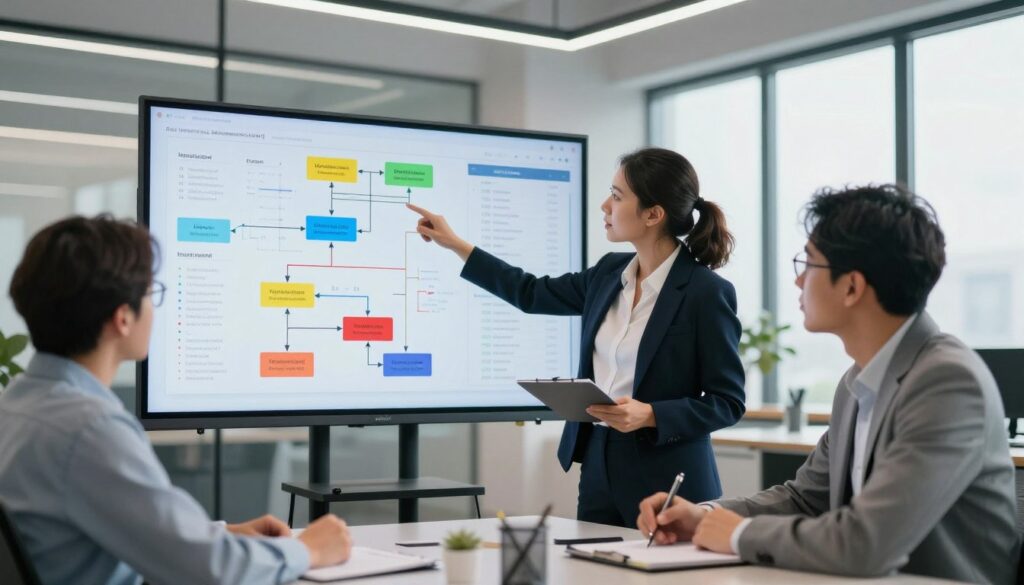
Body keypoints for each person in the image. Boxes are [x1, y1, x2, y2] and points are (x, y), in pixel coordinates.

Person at [637, 184, 1020, 584]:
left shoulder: (947, 382)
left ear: (852, 286)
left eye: (810, 264)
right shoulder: (858, 381)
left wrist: (737, 534)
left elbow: (866, 543)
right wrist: (707, 515)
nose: (799, 282)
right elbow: (807, 498)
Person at [0, 215, 352, 585]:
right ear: (122, 318)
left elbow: (101, 526)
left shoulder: (18, 405)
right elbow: (209, 570)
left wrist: (220, 534)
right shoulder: (89, 428)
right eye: (152, 294)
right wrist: (309, 549)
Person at [408, 147, 746, 527]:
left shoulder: (706, 292)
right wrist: (456, 244)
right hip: (600, 460)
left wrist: (651, 414)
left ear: (653, 214)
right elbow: (530, 292)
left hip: (668, 479)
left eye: (617, 197)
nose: (605, 205)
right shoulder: (607, 273)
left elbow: (727, 402)